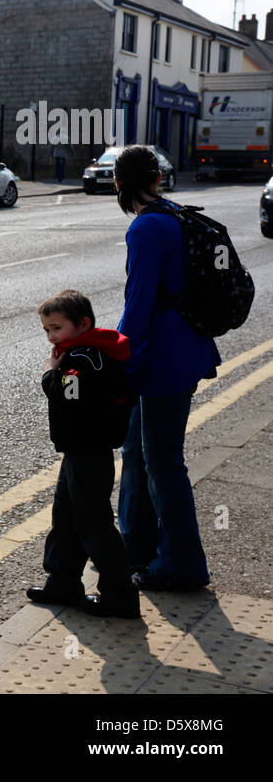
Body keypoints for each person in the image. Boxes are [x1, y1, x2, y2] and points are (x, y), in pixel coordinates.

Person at [113, 145, 218, 591]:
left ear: (119, 183)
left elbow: (138, 307)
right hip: (184, 349)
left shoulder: (145, 229)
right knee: (137, 455)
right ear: (157, 179)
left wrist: (118, 359)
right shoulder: (175, 214)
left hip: (162, 360)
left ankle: (183, 565)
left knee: (163, 462)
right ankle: (134, 549)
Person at [28, 290, 139, 618]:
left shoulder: (82, 359)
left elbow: (69, 397)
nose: (51, 336)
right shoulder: (87, 353)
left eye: (57, 328)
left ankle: (120, 593)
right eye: (47, 330)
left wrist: (50, 373)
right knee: (65, 516)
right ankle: (63, 581)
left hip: (89, 453)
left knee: (94, 524)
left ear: (83, 324)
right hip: (80, 452)